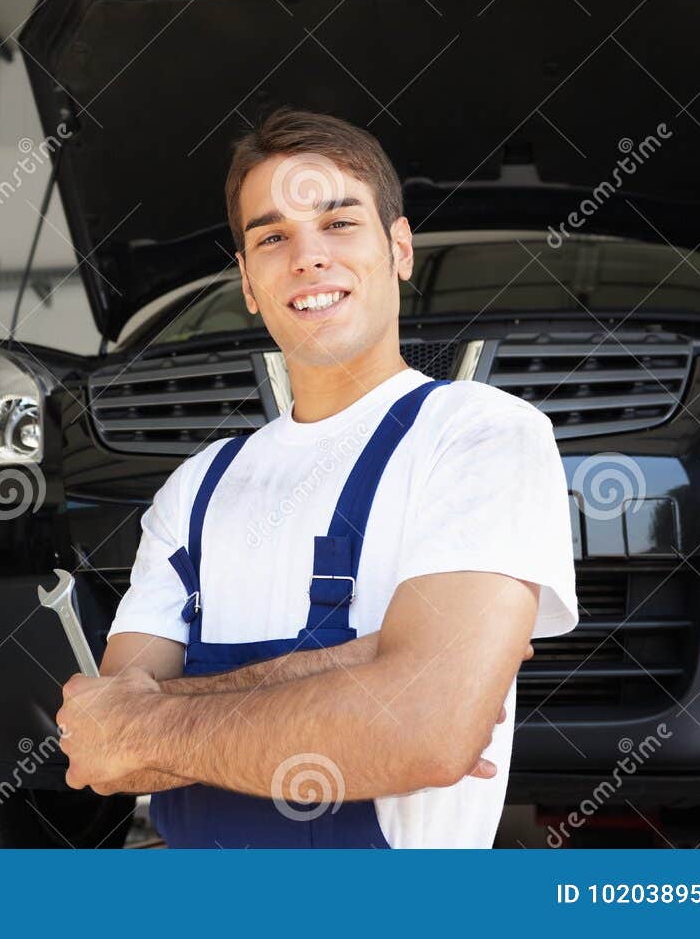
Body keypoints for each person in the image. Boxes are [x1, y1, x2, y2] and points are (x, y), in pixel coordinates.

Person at [54, 107, 579, 848]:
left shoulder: (480, 433)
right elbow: (108, 755)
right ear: (246, 279)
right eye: (272, 237)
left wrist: (156, 715)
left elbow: (426, 731)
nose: (308, 258)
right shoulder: (197, 487)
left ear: (399, 247)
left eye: (338, 223)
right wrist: (372, 665)